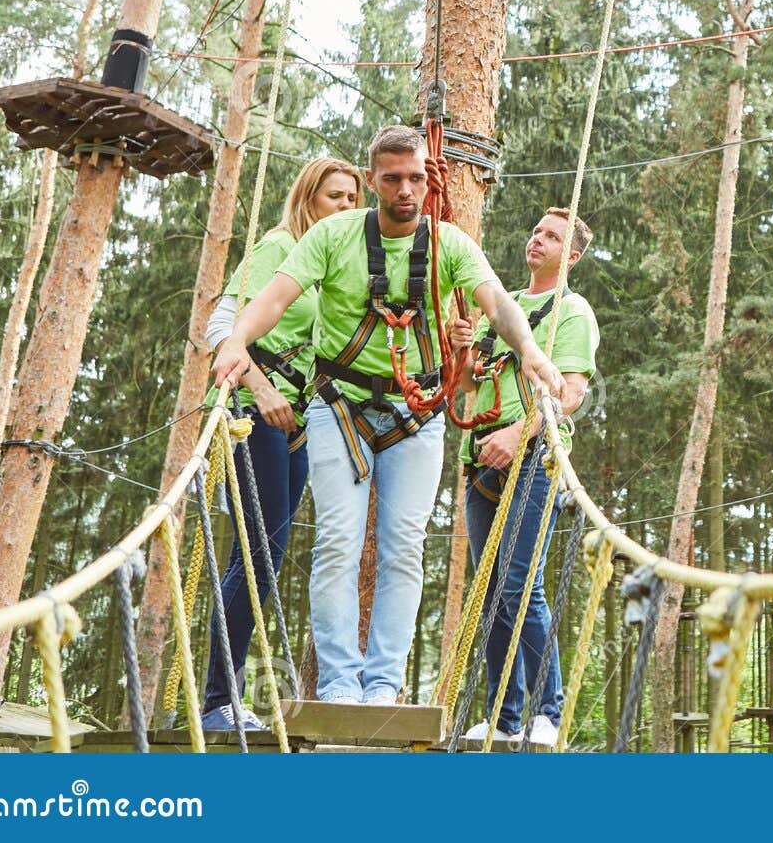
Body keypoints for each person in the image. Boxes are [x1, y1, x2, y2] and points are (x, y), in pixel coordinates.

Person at [213, 125, 563, 707]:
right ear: (373, 179)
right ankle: (339, 683)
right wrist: (236, 341)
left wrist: (528, 351)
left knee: (404, 544)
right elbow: (274, 297)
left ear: (429, 178)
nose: (406, 190)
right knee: (338, 541)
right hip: (339, 405)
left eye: (416, 178)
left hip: (415, 414)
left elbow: (497, 303)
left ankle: (381, 685)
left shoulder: (448, 243)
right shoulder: (333, 235)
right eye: (393, 178)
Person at [200, 156, 364, 732]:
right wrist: (262, 388)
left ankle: (222, 693)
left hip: (299, 418)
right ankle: (218, 698)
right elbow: (220, 327)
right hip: (255, 410)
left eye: (352, 199)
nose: (346, 208)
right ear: (307, 201)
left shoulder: (333, 264)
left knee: (264, 555)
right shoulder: (279, 245)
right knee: (257, 554)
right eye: (335, 197)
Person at [458, 207, 599, 750]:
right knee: (491, 589)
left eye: (553, 236)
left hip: (532, 454)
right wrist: (465, 349)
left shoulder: (573, 310)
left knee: (520, 586)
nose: (537, 239)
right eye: (537, 231)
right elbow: (470, 384)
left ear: (573, 256)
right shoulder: (506, 308)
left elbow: (569, 393)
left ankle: (547, 710)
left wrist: (518, 435)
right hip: (482, 457)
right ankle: (504, 715)